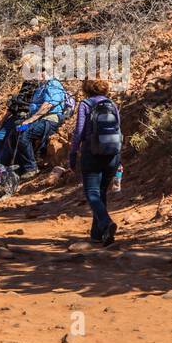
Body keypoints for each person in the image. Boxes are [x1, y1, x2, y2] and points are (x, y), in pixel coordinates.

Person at [69, 77, 123, 246]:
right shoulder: (111, 104)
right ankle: (98, 235)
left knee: (92, 193)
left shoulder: (86, 104)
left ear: (87, 88)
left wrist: (72, 152)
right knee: (101, 193)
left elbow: (79, 132)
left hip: (91, 153)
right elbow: (119, 129)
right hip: (112, 154)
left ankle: (106, 223)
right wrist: (119, 158)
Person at [0, 73, 71, 178]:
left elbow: (48, 105)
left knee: (24, 134)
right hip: (37, 120)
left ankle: (31, 167)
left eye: (42, 71)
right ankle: (17, 169)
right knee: (15, 132)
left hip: (49, 119)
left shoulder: (53, 84)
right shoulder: (40, 87)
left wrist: (30, 120)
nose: (38, 74)